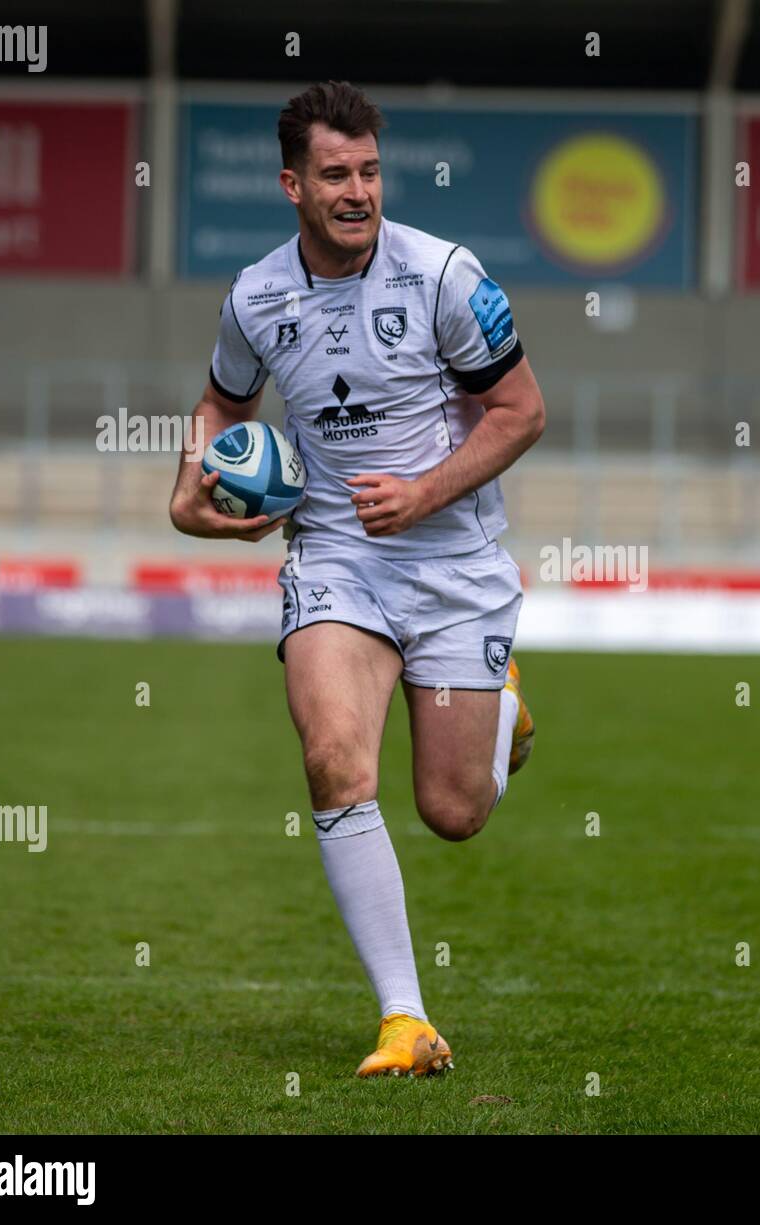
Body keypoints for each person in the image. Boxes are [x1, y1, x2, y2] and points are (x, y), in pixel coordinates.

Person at [169, 81, 544, 1074]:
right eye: (335, 175)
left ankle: (502, 705)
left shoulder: (445, 278)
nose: (358, 191)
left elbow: (521, 412)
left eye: (370, 171)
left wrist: (422, 493)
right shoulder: (256, 295)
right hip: (333, 557)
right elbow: (218, 402)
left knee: (454, 810)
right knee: (334, 759)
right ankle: (404, 1018)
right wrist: (186, 493)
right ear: (293, 184)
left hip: (455, 560)